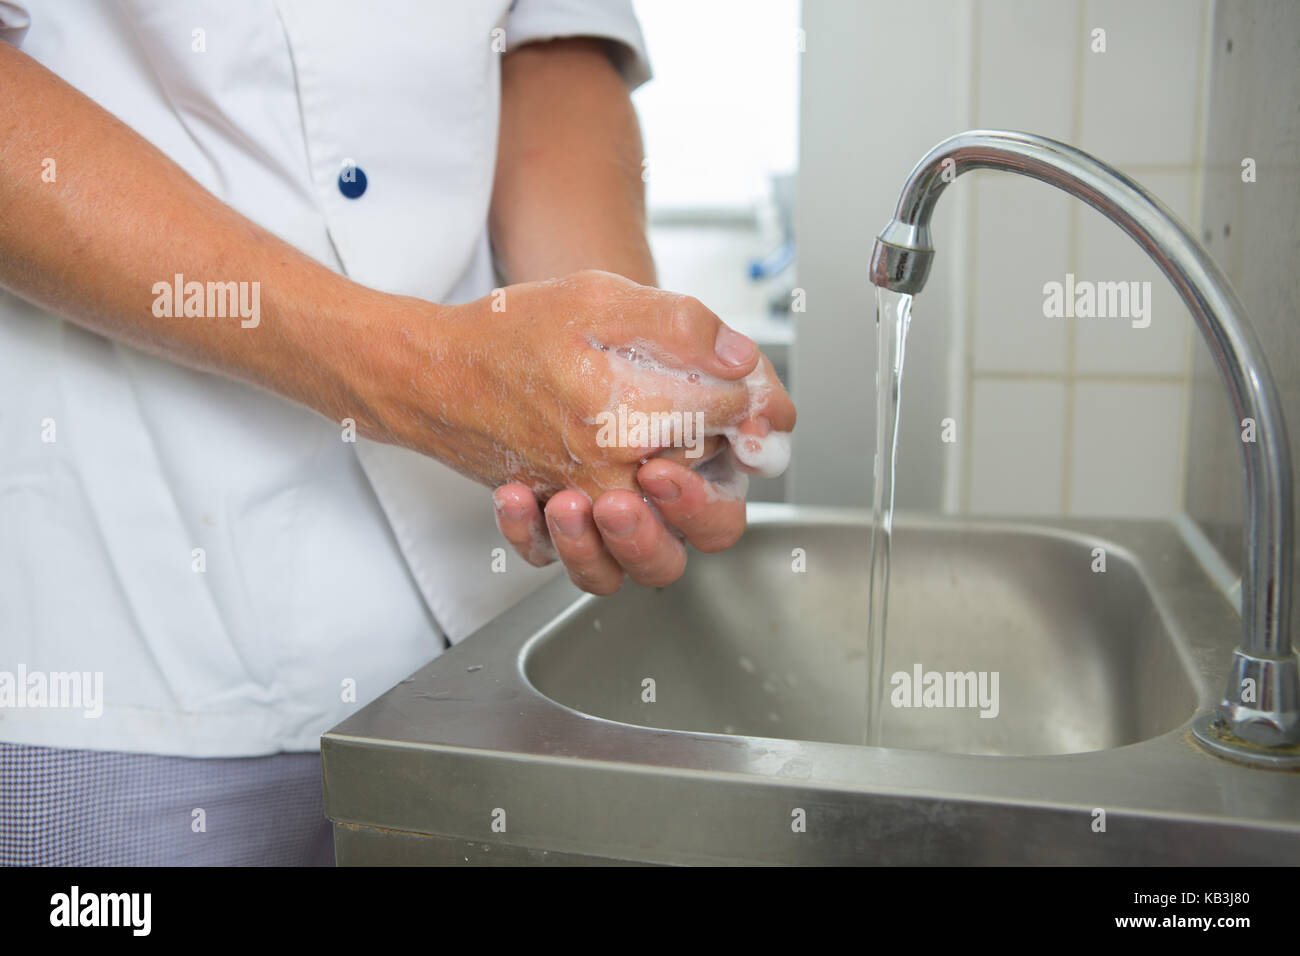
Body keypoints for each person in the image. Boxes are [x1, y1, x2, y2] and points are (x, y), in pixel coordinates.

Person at [0, 0, 795, 865]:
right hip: (126, 628)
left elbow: (549, 49)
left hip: (491, 645)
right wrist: (430, 377)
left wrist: (611, 366)